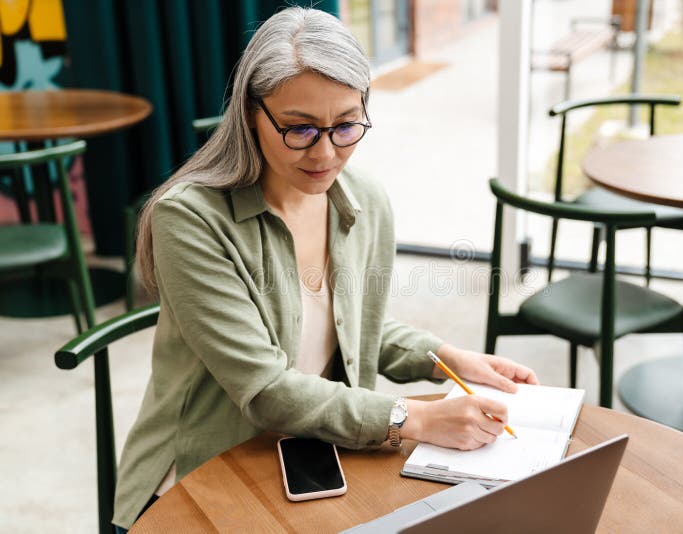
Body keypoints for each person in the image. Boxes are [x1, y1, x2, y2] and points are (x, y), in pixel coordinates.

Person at [112, 7, 538, 532]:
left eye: (346, 126)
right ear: (250, 113)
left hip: (312, 454)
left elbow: (350, 326)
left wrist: (448, 360)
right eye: (300, 129)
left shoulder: (364, 202)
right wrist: (416, 418)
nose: (326, 153)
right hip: (200, 477)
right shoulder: (191, 219)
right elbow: (266, 389)